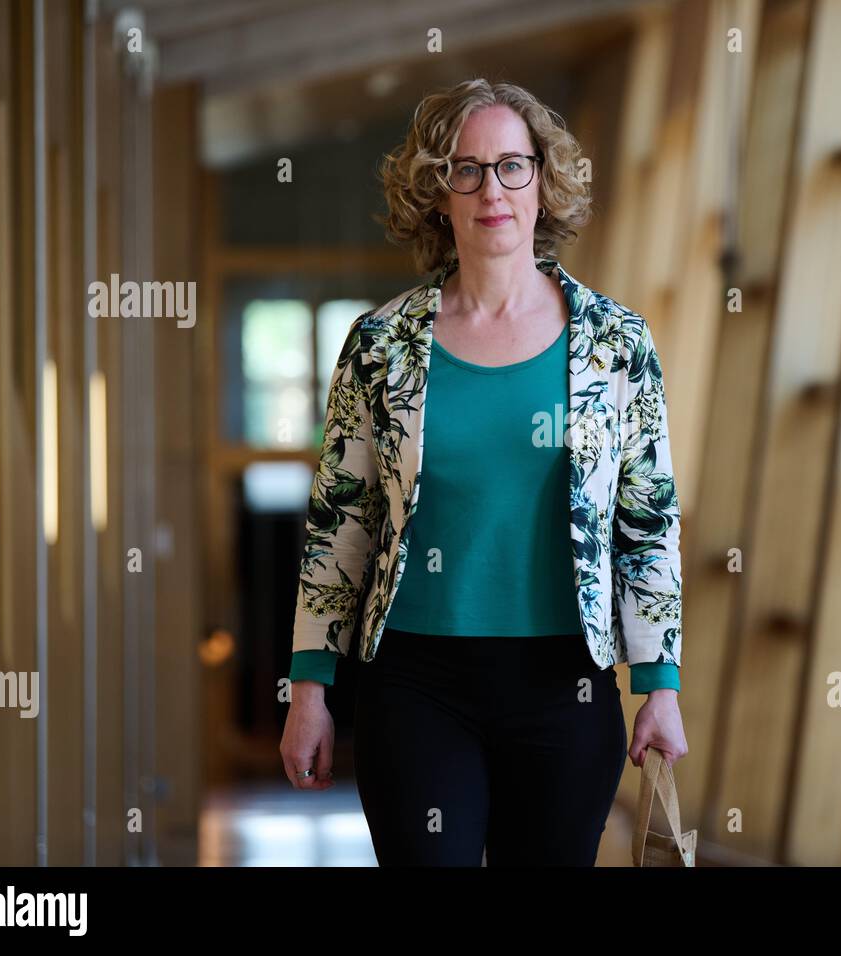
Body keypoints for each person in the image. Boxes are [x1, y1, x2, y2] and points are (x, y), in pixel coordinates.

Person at [278, 78, 687, 866]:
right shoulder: (380, 344)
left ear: (544, 180)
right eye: (464, 170)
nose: (490, 189)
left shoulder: (617, 345)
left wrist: (659, 684)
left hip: (566, 686)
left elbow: (648, 522)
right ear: (438, 194)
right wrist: (308, 691)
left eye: (511, 165)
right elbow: (340, 524)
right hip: (416, 685)